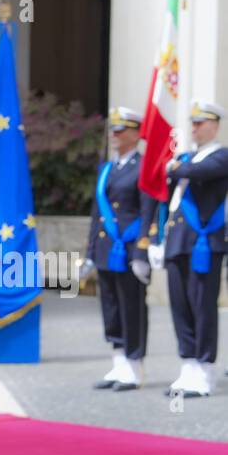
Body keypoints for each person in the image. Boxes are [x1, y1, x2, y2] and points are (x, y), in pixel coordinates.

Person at [156, 100, 227, 398]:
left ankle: (204, 367)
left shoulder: (221, 156)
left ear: (215, 125)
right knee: (180, 305)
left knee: (202, 306)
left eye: (201, 123)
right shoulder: (188, 159)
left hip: (205, 243)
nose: (195, 128)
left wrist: (175, 166)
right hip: (178, 241)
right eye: (193, 123)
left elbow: (199, 172)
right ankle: (187, 363)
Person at [83, 107, 155, 392]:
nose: (114, 134)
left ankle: (134, 365)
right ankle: (119, 360)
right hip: (106, 247)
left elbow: (147, 212)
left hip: (128, 248)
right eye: (112, 129)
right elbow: (96, 214)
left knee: (131, 306)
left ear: (136, 134)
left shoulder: (143, 167)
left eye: (121, 129)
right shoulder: (107, 168)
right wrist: (89, 253)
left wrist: (141, 252)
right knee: (110, 305)